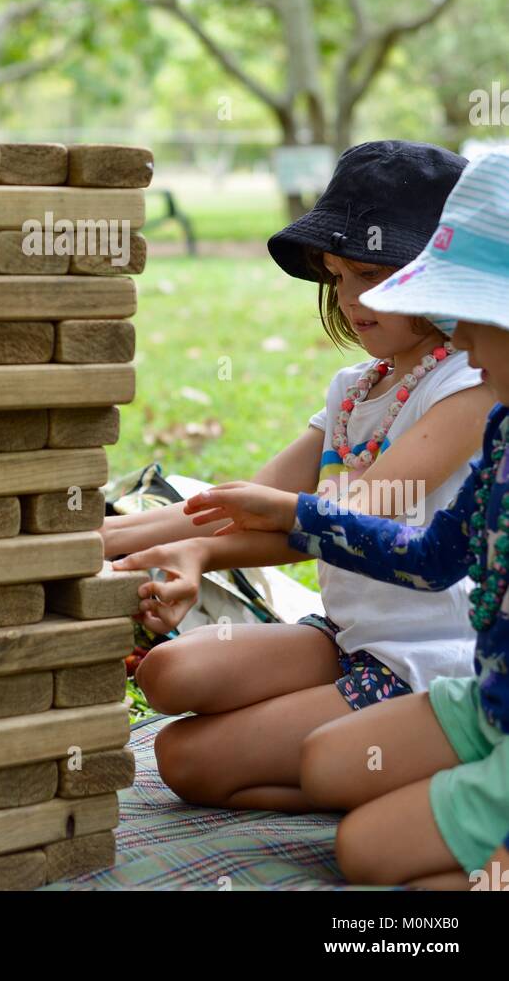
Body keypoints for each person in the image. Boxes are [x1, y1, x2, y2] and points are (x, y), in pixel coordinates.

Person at [112, 142, 493, 810]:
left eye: (374, 276)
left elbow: (329, 521)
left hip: (422, 658)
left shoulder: (467, 385)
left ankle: (397, 771)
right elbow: (238, 507)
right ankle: (348, 755)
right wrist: (99, 541)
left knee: (183, 761)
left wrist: (197, 550)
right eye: (337, 276)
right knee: (170, 673)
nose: (350, 300)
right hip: (347, 634)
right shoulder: (354, 388)